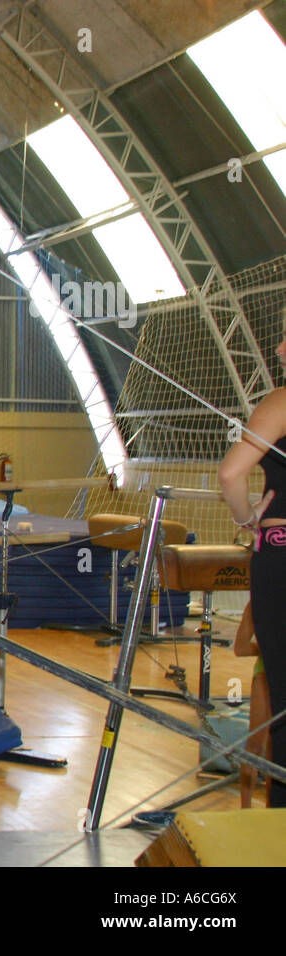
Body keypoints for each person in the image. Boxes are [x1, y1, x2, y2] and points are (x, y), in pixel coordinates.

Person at [218, 309, 286, 807]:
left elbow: (230, 475)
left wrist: (246, 518)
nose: (279, 351)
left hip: (280, 551)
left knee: (281, 692)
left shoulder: (281, 402)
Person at [231, 606, 271, 808]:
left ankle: (273, 809)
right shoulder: (256, 606)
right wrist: (271, 649)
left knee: (275, 750)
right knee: (256, 745)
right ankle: (245, 810)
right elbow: (240, 648)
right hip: (266, 675)